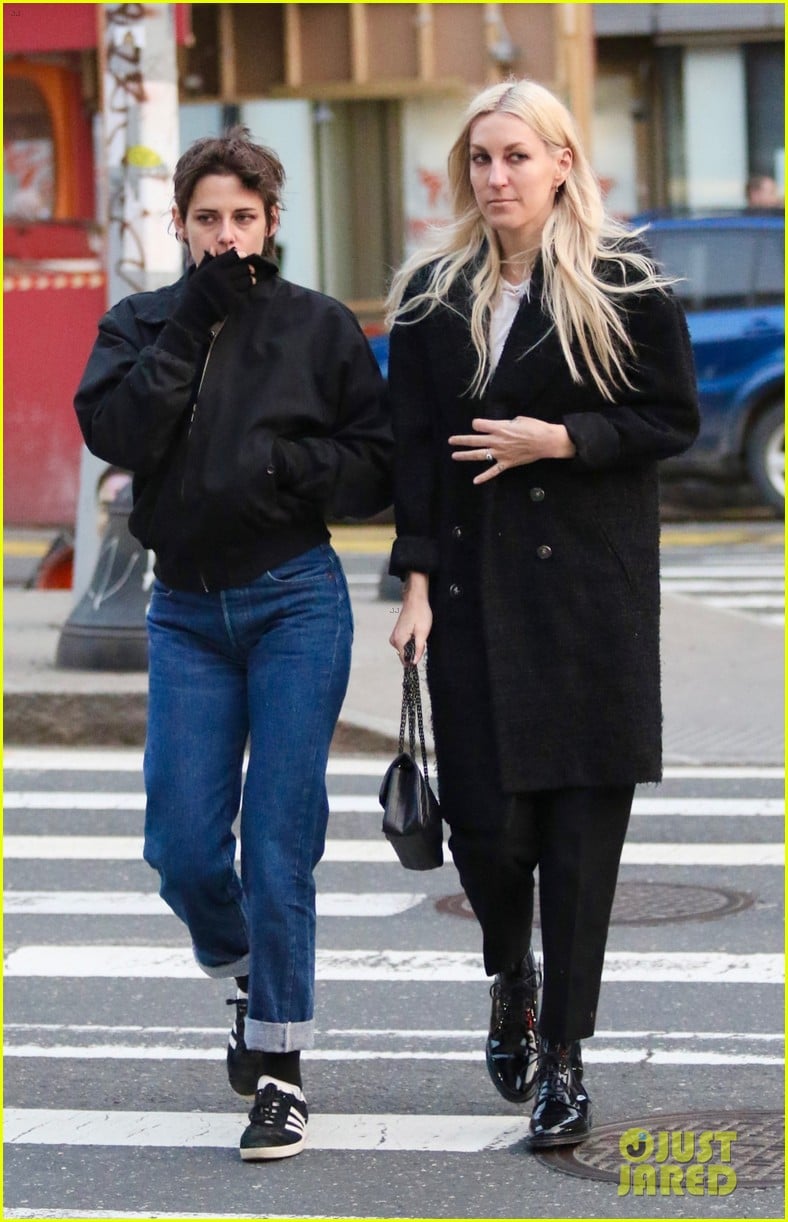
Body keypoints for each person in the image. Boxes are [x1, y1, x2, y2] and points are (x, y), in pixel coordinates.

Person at [386, 79, 699, 1149]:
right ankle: (507, 973)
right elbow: (417, 454)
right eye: (480, 158)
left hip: (588, 602)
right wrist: (413, 583)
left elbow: (671, 417)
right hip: (471, 593)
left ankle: (563, 1055)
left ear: (562, 163)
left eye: (516, 156)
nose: (496, 177)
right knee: (486, 827)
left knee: (577, 843)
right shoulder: (433, 296)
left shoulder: (625, 282)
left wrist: (561, 440)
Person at [74, 127, 392, 1161]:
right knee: (179, 845)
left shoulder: (317, 325)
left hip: (295, 601)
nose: (225, 235)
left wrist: (285, 471)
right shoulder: (140, 324)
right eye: (206, 217)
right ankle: (248, 973)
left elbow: (376, 464)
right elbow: (120, 434)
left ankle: (281, 1068)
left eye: (243, 218)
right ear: (179, 224)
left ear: (271, 222)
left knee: (278, 840)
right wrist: (192, 323)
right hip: (184, 612)